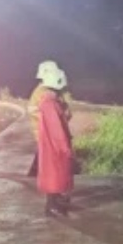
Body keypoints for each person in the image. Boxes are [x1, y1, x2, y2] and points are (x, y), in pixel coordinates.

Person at [37, 68, 74, 217]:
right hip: (55, 147)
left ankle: (54, 201)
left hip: (51, 146)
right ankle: (52, 206)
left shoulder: (50, 102)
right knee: (55, 175)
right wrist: (65, 148)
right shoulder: (50, 104)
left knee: (55, 175)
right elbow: (56, 130)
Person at [27, 60, 72, 177]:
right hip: (43, 130)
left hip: (46, 131)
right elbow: (32, 109)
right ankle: (35, 174)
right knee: (45, 154)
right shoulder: (41, 92)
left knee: (43, 154)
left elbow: (63, 105)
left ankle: (36, 173)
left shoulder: (51, 90)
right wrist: (46, 119)